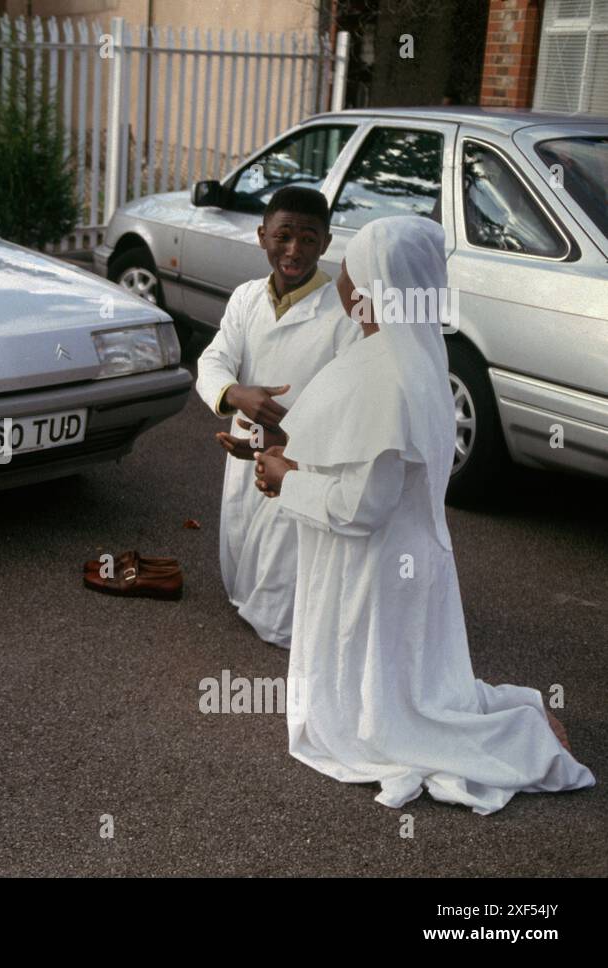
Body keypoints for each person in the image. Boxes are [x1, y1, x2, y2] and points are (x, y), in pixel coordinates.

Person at [254, 216, 595, 814]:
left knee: (388, 718)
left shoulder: (385, 372)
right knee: (413, 683)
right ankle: (515, 715)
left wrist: (288, 480)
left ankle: (521, 736)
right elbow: (364, 467)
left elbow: (362, 506)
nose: (342, 284)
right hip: (411, 563)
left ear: (376, 285)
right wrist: (297, 462)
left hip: (378, 573)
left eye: (352, 274)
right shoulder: (415, 355)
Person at [194, 186, 360, 649]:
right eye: (283, 236)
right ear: (261, 235)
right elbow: (213, 361)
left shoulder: (343, 315)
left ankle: (291, 633)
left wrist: (291, 434)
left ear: (326, 243)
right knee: (241, 543)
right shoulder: (247, 298)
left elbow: (349, 395)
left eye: (308, 239)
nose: (294, 250)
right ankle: (251, 603)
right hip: (243, 446)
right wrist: (235, 394)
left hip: (300, 457)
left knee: (285, 571)